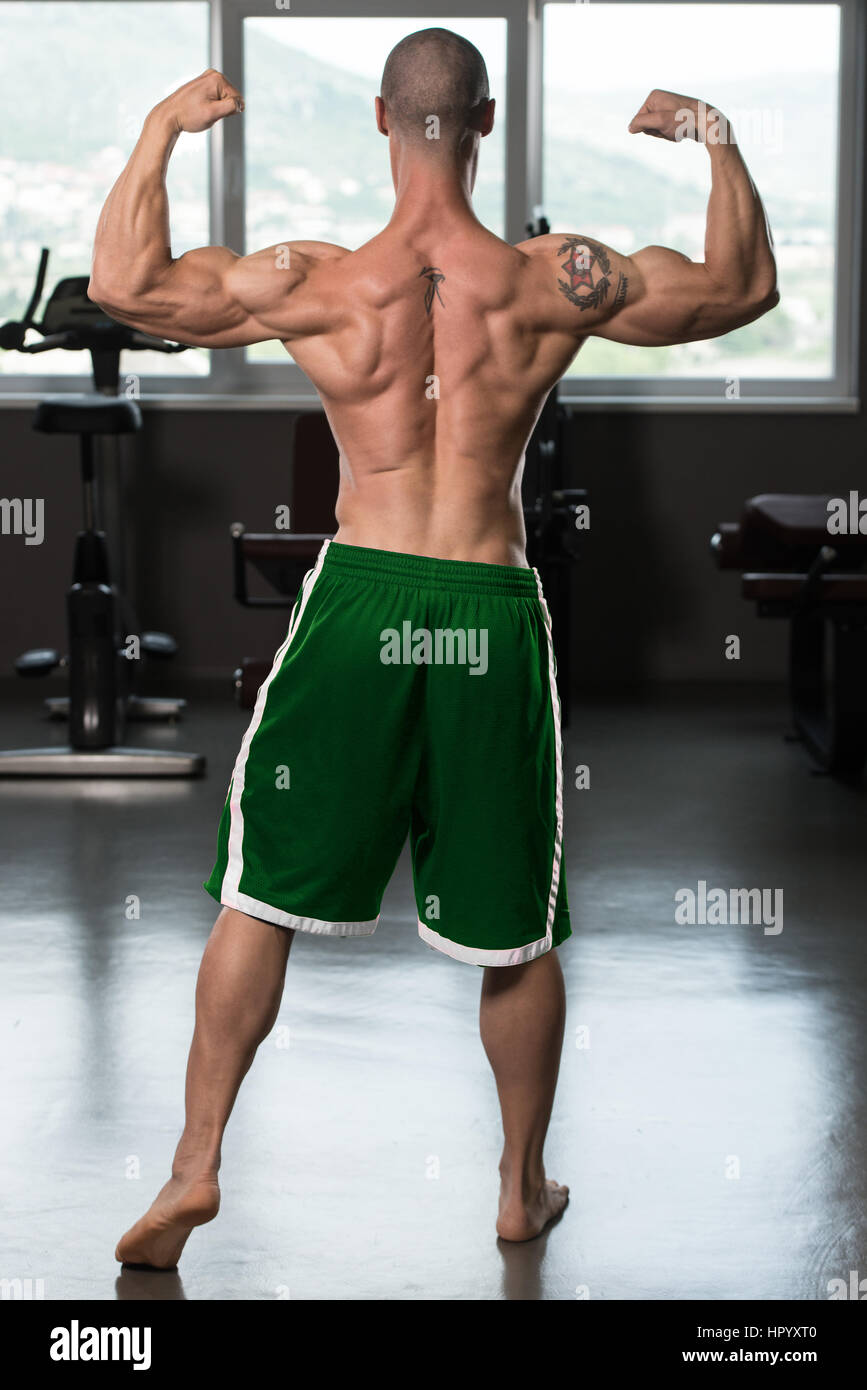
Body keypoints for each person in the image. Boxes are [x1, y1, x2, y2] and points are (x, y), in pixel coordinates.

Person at [89, 28, 779, 1269]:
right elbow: (737, 288)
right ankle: (517, 1190)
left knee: (261, 896)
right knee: (518, 926)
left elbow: (129, 289)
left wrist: (159, 135)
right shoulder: (548, 281)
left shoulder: (319, 279)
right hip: (487, 606)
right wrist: (715, 136)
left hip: (356, 600)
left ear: (377, 119)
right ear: (487, 122)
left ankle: (195, 1169)